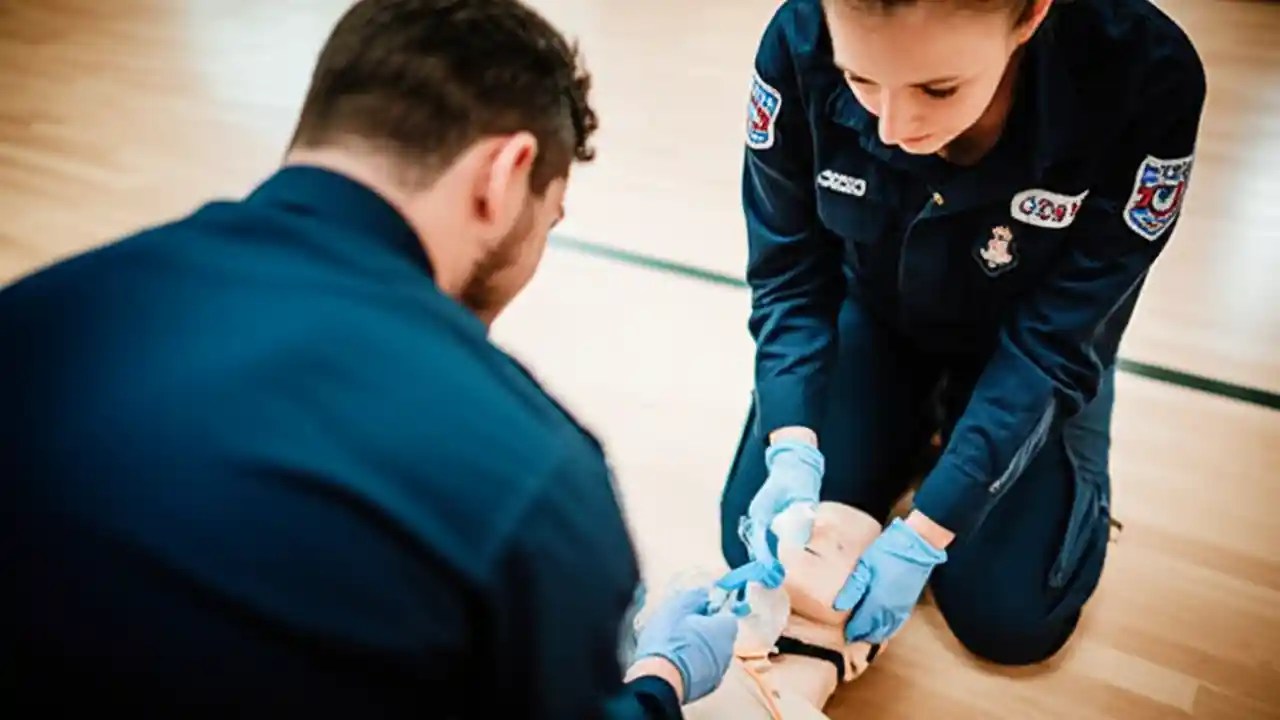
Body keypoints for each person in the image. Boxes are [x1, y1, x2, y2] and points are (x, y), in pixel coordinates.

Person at [1, 1, 737, 717]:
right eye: (549, 220)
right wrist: (659, 680)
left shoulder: (35, 322)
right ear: (504, 174)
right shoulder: (530, 478)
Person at [722, 0, 1205, 666]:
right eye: (860, 79)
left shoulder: (1144, 74)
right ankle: (914, 424)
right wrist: (792, 442)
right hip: (879, 313)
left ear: (1031, 15)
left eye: (938, 88)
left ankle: (990, 441)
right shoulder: (800, 36)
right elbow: (789, 274)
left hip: (1034, 344)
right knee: (753, 545)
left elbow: (1056, 341)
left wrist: (929, 529)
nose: (892, 128)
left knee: (1010, 617)